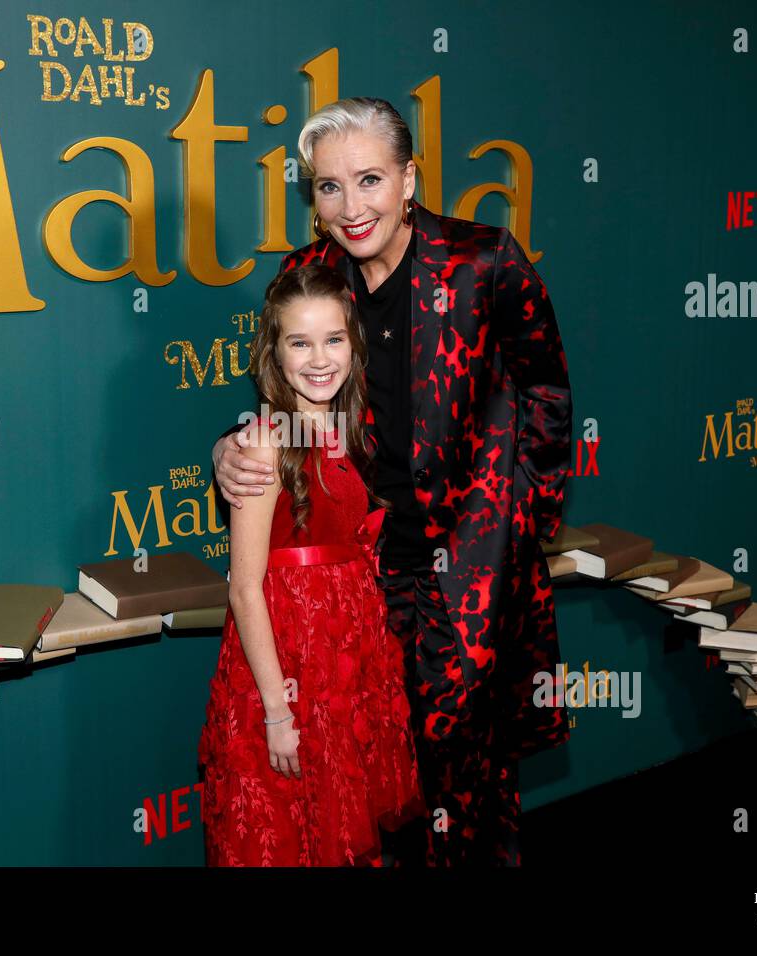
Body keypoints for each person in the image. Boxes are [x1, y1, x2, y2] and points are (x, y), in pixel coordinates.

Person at [211, 97, 573, 866]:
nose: (351, 206)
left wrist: (521, 518)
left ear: (409, 180)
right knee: (377, 780)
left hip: (468, 570)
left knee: (466, 766)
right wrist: (226, 453)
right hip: (358, 584)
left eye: (370, 179)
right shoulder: (307, 275)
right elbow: (286, 407)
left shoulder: (483, 262)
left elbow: (546, 387)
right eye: (329, 187)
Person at [197, 263, 426, 867]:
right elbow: (245, 589)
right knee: (289, 832)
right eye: (299, 342)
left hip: (346, 668)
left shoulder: (346, 428)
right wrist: (276, 711)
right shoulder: (266, 442)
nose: (319, 358)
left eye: (333, 339)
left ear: (353, 341)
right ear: (274, 353)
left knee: (340, 833)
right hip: (288, 668)